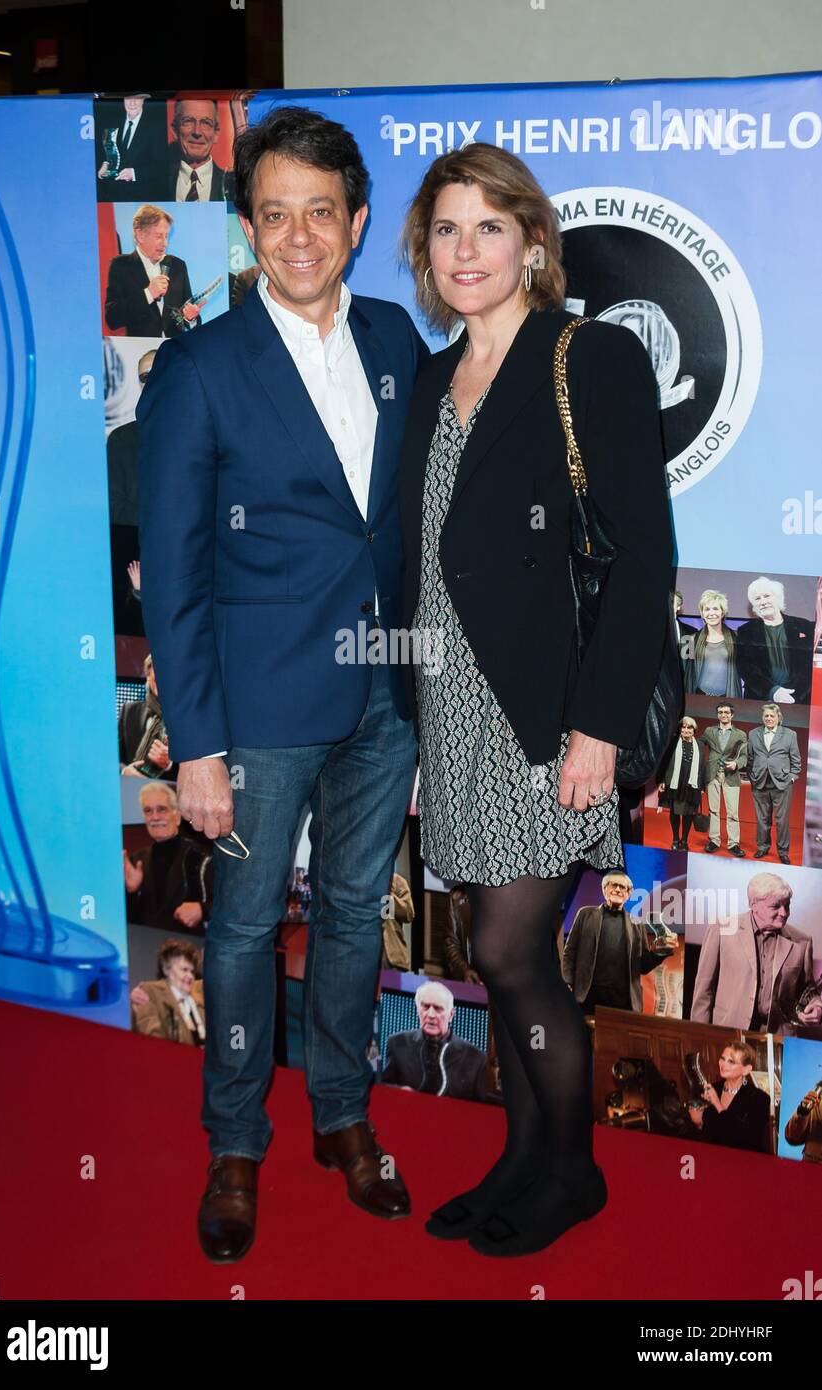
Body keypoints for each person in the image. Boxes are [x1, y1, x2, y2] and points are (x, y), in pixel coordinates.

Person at [137, 106, 430, 1264]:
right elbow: (174, 571)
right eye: (274, 214)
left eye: (321, 211)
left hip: (384, 695)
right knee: (247, 927)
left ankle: (345, 1115)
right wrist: (195, 743)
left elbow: (409, 527)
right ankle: (234, 1142)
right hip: (256, 712)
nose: (299, 235)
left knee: (356, 914)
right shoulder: (200, 367)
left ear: (355, 223)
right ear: (247, 225)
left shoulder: (400, 339)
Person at [397, 143, 673, 1256]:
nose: (467, 251)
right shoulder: (429, 376)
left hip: (550, 712)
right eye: (447, 231)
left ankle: (571, 1170)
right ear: (424, 252)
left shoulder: (589, 357)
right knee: (492, 953)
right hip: (453, 707)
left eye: (488, 227)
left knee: (511, 952)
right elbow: (423, 557)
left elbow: (644, 560)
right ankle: (523, 1157)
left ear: (533, 243)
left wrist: (599, 727)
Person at [690, 872, 822, 1032]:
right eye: (776, 906)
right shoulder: (721, 929)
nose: (784, 913)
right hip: (728, 1030)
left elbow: (807, 990)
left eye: (787, 905)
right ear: (753, 904)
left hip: (778, 1034)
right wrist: (699, 1033)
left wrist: (816, 1005)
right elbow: (704, 990)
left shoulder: (802, 941)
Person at [562, 871, 670, 1014]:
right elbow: (570, 952)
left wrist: (662, 950)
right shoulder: (585, 914)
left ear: (629, 894)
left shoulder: (636, 923)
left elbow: (642, 965)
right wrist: (566, 982)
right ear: (604, 889)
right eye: (614, 885)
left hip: (624, 1001)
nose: (618, 890)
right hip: (587, 996)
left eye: (622, 887)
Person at [124, 781, 212, 932]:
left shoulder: (202, 857)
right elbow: (128, 921)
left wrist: (202, 910)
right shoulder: (135, 860)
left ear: (177, 816)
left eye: (162, 809)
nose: (155, 817)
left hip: (189, 950)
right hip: (144, 947)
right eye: (148, 811)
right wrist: (131, 892)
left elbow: (232, 903)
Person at [104, 205, 203, 338]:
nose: (165, 243)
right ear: (140, 235)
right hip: (138, 353)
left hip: (173, 351)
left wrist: (190, 319)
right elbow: (112, 318)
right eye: (158, 236)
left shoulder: (177, 266)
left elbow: (187, 314)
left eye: (166, 236)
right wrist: (148, 294)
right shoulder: (121, 266)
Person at [382, 981, 489, 1101]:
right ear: (418, 1009)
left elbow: (484, 1109)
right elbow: (383, 1088)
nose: (431, 1014)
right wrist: (399, 1091)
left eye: (438, 1009)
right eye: (425, 1007)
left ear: (451, 1015)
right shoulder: (397, 1043)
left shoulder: (476, 1059)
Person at [735, 576, 814, 704]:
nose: (763, 602)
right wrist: (773, 691)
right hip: (761, 700)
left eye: (767, 596)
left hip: (799, 700)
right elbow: (746, 668)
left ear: (778, 597)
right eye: (757, 599)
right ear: (754, 605)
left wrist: (794, 695)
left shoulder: (805, 626)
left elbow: (809, 666)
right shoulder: (746, 631)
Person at [686, 1041, 770, 1153]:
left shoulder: (759, 1098)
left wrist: (717, 1104)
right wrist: (698, 1123)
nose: (723, 1064)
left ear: (746, 1069)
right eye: (722, 1058)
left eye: (731, 1061)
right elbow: (706, 1135)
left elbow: (749, 1140)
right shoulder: (712, 1089)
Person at [746, 702, 801, 864]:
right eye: (766, 716)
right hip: (759, 783)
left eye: (772, 716)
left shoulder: (790, 735)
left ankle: (783, 851)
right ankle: (763, 847)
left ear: (778, 717)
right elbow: (750, 758)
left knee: (781, 820)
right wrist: (752, 776)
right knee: (762, 818)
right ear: (762, 718)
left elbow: (796, 762)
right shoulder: (753, 734)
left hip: (782, 784)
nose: (769, 718)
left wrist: (791, 777)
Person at [107, 348, 156, 527]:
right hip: (139, 546)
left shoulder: (201, 434)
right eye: (145, 377)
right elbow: (113, 505)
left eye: (159, 371)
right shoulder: (121, 439)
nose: (152, 380)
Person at [132, 938, 207, 1045]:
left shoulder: (198, 1002)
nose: (190, 976)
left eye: (192, 971)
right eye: (184, 970)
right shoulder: (149, 992)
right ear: (166, 969)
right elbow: (152, 1039)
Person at [95, 93, 167, 202]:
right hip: (112, 196)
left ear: (143, 100)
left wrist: (134, 173)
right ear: (123, 99)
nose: (132, 103)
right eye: (128, 98)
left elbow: (161, 166)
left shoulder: (156, 127)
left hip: (141, 197)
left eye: (137, 98)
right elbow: (107, 153)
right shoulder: (113, 123)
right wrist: (105, 165)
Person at [700, 702, 747, 856]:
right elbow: (699, 746)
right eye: (720, 712)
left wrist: (737, 763)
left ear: (732, 715)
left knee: (733, 812)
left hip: (731, 776)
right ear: (717, 714)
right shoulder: (709, 731)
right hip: (712, 774)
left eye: (726, 712)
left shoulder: (740, 734)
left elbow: (745, 756)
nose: (723, 715)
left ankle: (733, 844)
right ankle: (714, 840)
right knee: (713, 810)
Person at [118, 652, 175, 780]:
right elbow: (112, 757)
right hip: (128, 791)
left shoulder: (187, 716)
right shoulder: (129, 710)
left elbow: (199, 766)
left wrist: (170, 763)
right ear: (148, 677)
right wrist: (125, 771)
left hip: (170, 794)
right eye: (157, 677)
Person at [682, 589, 741, 697]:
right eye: (707, 609)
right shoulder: (688, 640)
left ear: (722, 612)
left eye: (715, 609)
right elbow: (683, 673)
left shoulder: (737, 639)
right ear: (702, 613)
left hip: (728, 699)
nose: (711, 613)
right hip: (698, 697)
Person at [657, 715, 704, 849]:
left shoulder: (700, 745)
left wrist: (701, 785)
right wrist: (661, 780)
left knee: (689, 813)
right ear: (680, 729)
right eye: (683, 727)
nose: (686, 730)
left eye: (689, 728)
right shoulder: (672, 743)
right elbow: (664, 762)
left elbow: (702, 766)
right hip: (675, 783)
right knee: (675, 812)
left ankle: (684, 841)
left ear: (694, 730)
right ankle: (675, 839)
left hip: (691, 784)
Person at [167, 98, 227, 201]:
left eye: (206, 123)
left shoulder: (233, 184)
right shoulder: (155, 182)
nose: (197, 132)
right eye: (188, 121)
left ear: (216, 133)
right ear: (175, 130)